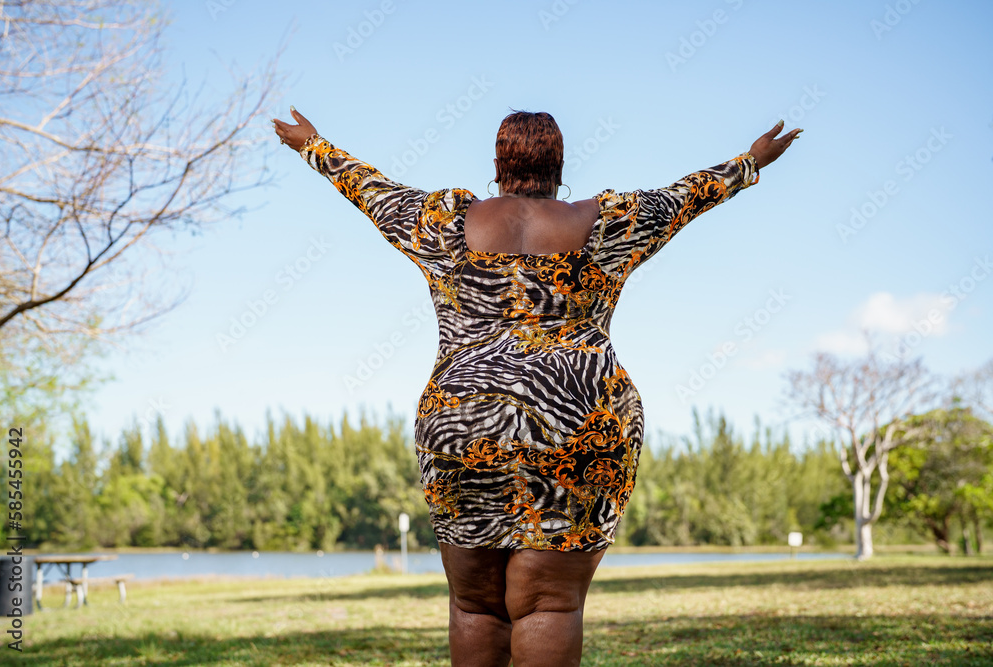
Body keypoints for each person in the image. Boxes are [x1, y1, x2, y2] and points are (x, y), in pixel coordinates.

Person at [273, 108, 801, 666]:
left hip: (463, 422)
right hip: (578, 419)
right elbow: (684, 198)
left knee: (475, 605)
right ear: (561, 165)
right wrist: (749, 162)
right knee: (551, 603)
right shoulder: (608, 223)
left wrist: (314, 145)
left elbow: (372, 190)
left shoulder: (441, 222)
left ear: (497, 164)